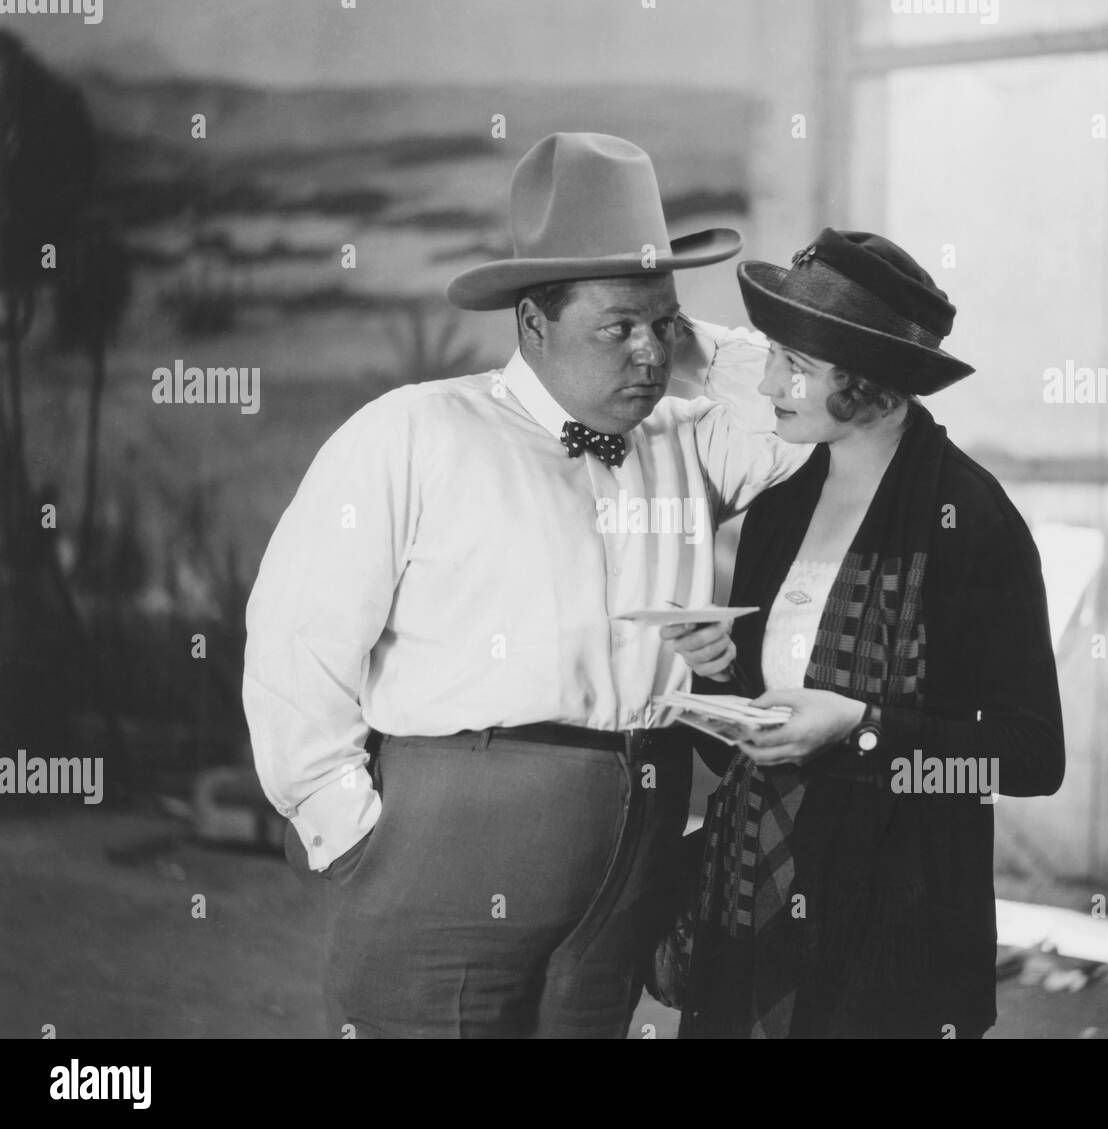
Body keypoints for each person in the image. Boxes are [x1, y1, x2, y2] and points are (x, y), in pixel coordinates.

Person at [241, 133, 810, 1038]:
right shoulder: (412, 433)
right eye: (615, 327)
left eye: (661, 324)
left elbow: (804, 414)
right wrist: (345, 829)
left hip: (636, 851)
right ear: (532, 322)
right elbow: (294, 638)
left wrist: (690, 341)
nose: (646, 354)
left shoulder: (688, 438)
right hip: (445, 848)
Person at [661, 228, 1066, 1038]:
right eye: (776, 355)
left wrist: (865, 731)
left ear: (871, 382)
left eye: (796, 366)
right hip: (751, 902)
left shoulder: (969, 520)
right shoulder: (780, 505)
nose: (770, 381)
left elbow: (1027, 757)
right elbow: (744, 748)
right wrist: (715, 679)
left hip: (893, 938)